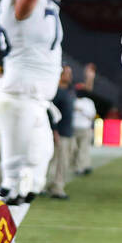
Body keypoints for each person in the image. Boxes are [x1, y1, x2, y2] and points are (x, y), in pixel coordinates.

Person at [0, 0, 75, 226]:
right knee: (14, 182)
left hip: (34, 103)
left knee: (36, 175)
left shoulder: (43, 4)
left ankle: (2, 239)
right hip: (19, 99)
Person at [44, 65, 76, 200]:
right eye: (67, 73)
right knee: (58, 162)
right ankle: (57, 188)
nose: (70, 76)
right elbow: (50, 113)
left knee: (62, 161)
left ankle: (47, 185)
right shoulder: (55, 91)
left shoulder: (69, 91)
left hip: (68, 132)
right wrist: (54, 131)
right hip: (59, 133)